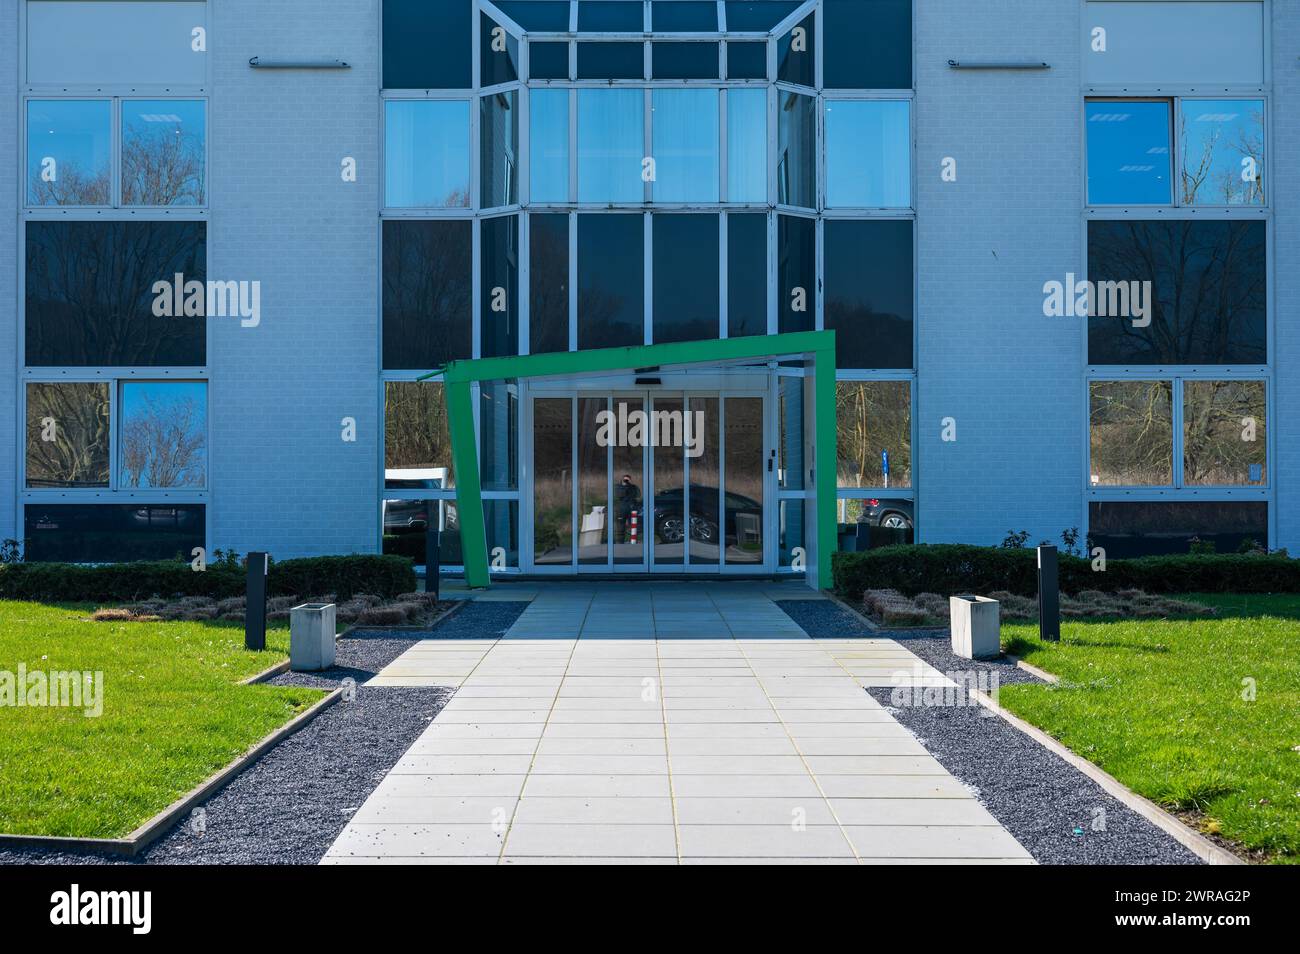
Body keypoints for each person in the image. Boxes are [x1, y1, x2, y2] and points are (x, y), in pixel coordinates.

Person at [615, 473, 641, 543]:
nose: (626, 481)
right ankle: (620, 542)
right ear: (622, 480)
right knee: (620, 527)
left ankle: (634, 541)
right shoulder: (618, 487)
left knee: (633, 525)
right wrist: (624, 486)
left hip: (631, 508)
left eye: (627, 480)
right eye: (625, 480)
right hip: (621, 508)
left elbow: (638, 495)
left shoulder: (633, 487)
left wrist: (630, 486)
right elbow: (619, 495)